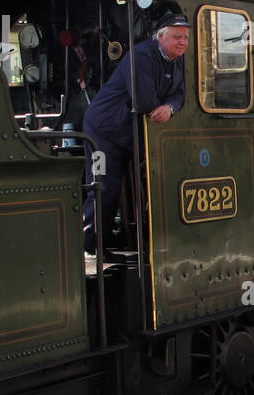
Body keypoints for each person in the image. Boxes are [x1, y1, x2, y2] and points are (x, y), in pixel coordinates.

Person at [81, 14, 189, 252]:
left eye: (185, 38)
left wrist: (169, 108)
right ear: (160, 38)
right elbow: (144, 100)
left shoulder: (177, 59)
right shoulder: (141, 56)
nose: (183, 42)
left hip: (131, 130)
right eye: (177, 37)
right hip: (105, 129)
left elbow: (181, 94)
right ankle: (92, 247)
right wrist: (160, 106)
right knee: (103, 188)